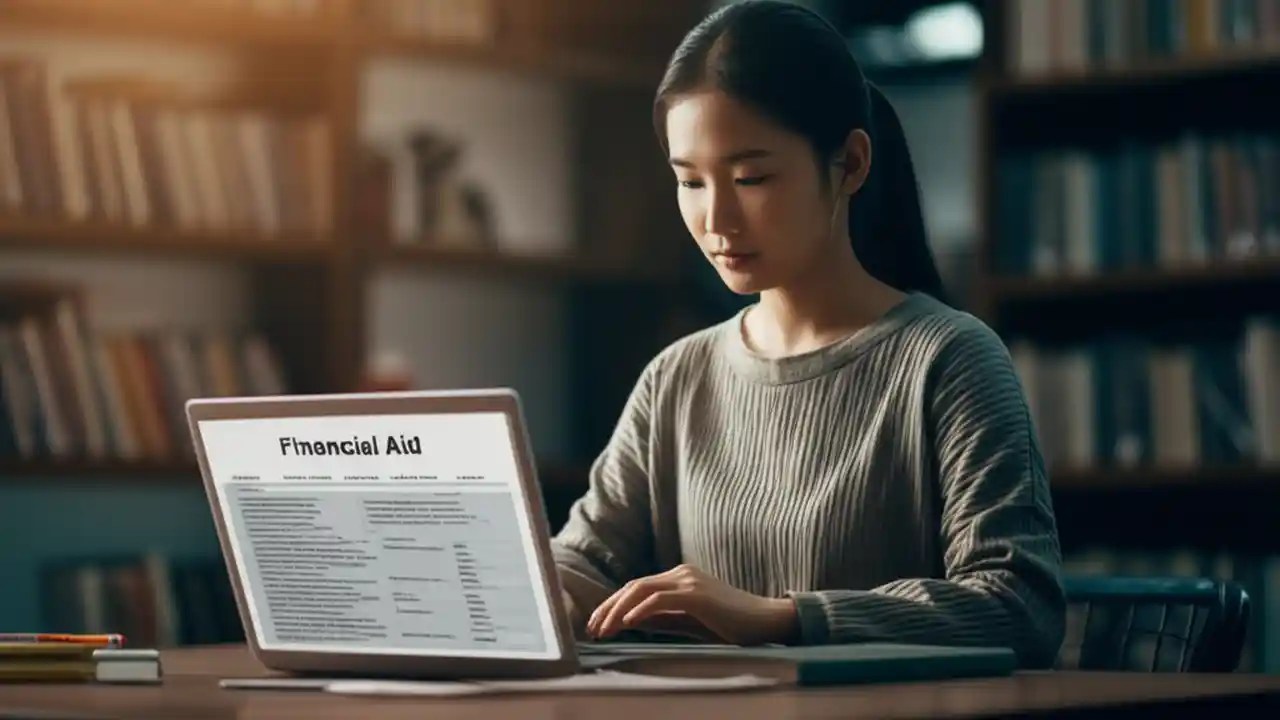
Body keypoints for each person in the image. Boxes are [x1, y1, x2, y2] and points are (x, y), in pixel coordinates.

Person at [550, 0, 1066, 668]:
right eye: (690, 182)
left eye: (751, 177)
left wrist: (779, 619)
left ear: (850, 163)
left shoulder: (949, 360)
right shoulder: (678, 377)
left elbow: (1018, 605)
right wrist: (546, 592)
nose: (716, 218)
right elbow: (583, 557)